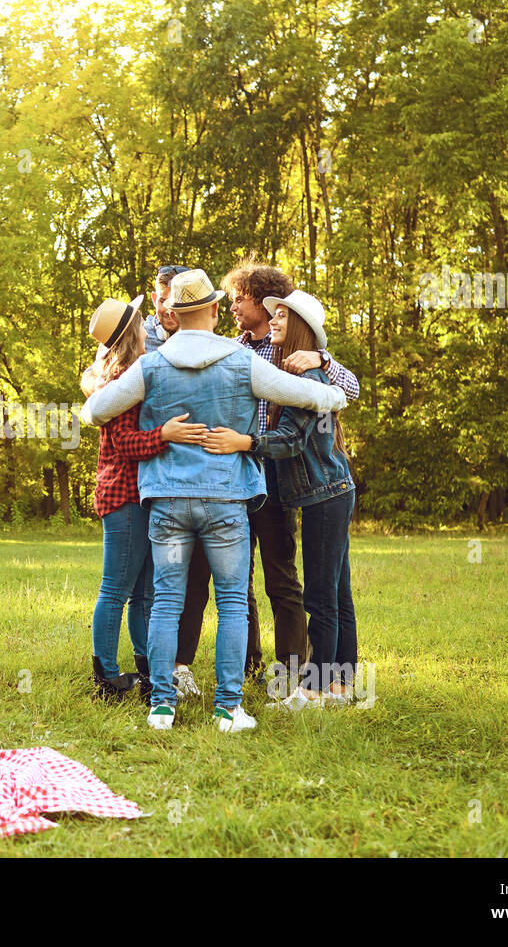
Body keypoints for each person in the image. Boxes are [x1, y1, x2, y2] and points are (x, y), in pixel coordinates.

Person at [81, 269, 348, 732]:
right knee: (231, 602)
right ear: (215, 310)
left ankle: (160, 706)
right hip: (226, 500)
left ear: (175, 314)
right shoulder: (239, 359)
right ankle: (229, 708)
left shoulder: (151, 365)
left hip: (166, 501)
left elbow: (94, 412)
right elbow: (309, 394)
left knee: (165, 601)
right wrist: (334, 391)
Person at [201, 290, 358, 708]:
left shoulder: (307, 378)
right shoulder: (293, 374)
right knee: (338, 592)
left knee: (322, 597)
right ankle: (341, 686)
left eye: (283, 316)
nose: (274, 320)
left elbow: (289, 440)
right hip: (328, 492)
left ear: (301, 325)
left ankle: (311, 690)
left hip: (325, 494)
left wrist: (244, 441)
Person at [82, 264, 206, 697]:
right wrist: (164, 435)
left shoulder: (134, 369)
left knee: (145, 591)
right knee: (116, 587)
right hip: (124, 495)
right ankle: (106, 675)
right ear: (134, 332)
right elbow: (123, 444)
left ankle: (145, 666)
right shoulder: (118, 379)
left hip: (142, 495)